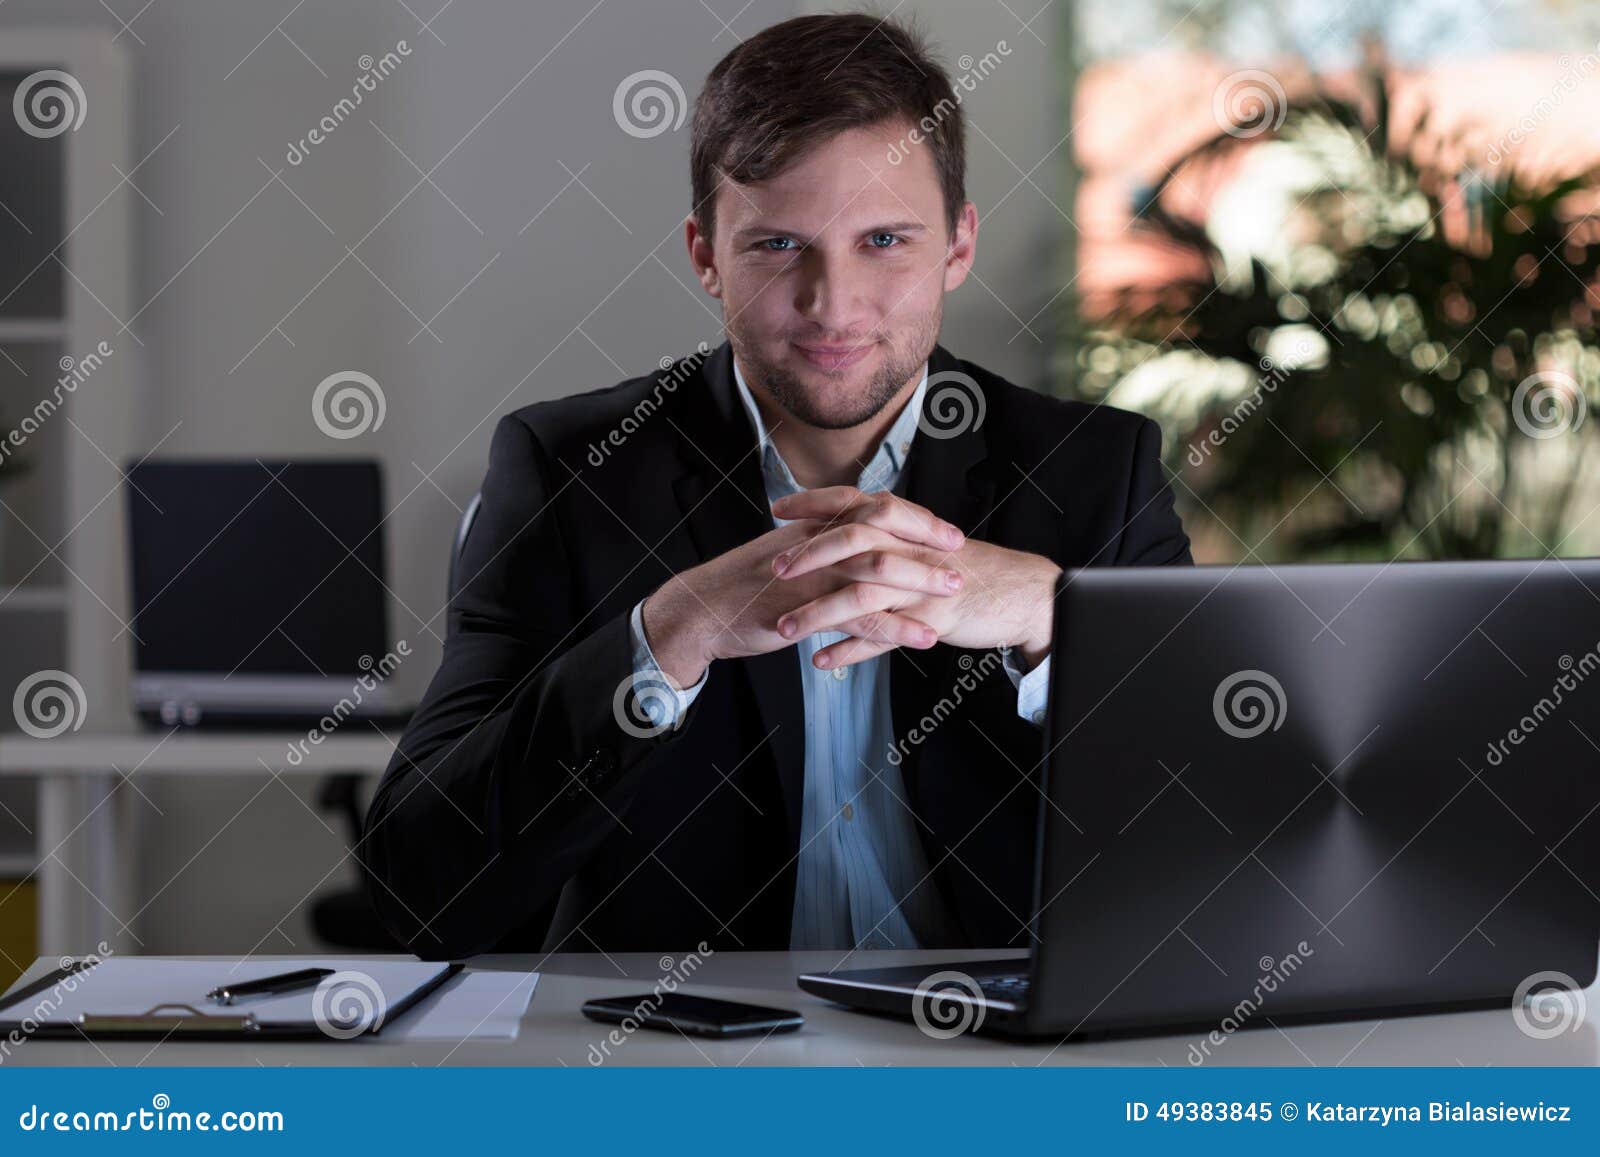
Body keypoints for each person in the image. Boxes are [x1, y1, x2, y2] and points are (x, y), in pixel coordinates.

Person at [363, 11, 1190, 959]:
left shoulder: (1097, 475)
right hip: (679, 1074)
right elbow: (418, 890)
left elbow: (1229, 856)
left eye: (884, 240)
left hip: (999, 1070)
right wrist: (668, 635)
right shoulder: (567, 472)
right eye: (777, 247)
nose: (831, 306)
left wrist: (1062, 621)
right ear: (705, 252)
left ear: (959, 246)